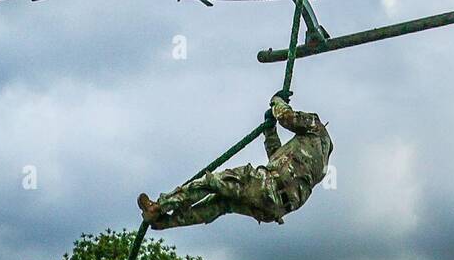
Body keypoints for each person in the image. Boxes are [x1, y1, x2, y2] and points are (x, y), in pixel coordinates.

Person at [137, 94, 333, 229]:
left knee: (211, 182)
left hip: (268, 186)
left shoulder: (315, 127)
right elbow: (277, 159)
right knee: (222, 204)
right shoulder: (320, 163)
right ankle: (163, 223)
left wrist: (277, 101)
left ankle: (160, 206)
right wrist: (269, 130)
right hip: (274, 208)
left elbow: (287, 117)